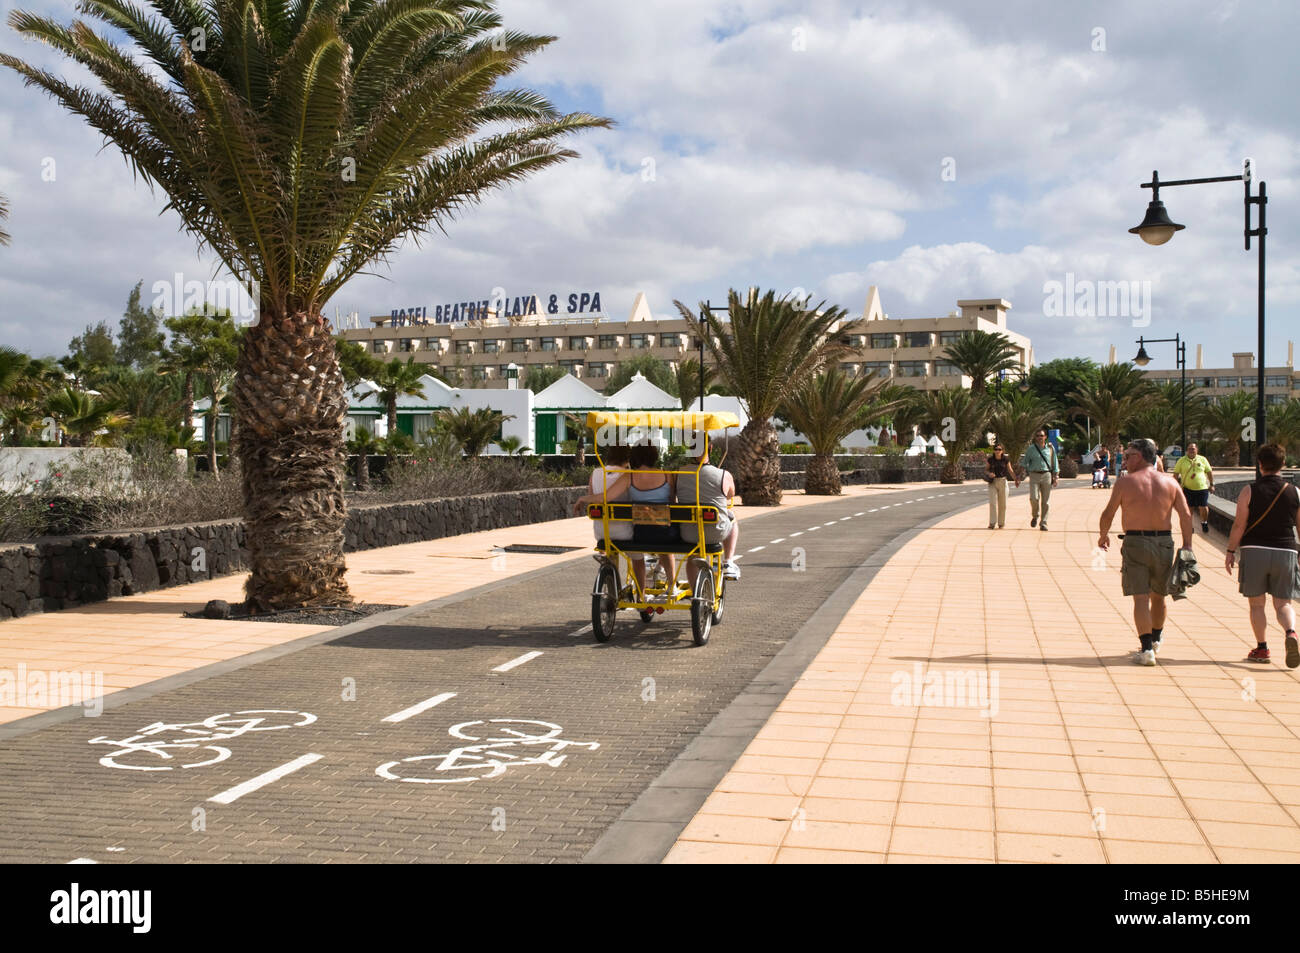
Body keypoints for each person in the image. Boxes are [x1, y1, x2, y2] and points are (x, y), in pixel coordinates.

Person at [1098, 438, 1195, 666]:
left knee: (1140, 597)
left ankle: (1146, 648)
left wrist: (1103, 535)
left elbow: (1108, 513)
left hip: (1135, 542)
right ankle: (1157, 639)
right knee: (1159, 596)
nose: (1125, 459)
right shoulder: (1170, 483)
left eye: (1129, 455)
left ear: (1140, 456)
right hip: (1163, 543)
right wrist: (1188, 544)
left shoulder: (1126, 483)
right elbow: (1186, 515)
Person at [1224, 443, 1299, 666]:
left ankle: (1262, 648)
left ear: (1260, 464)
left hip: (1254, 550)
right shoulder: (1294, 491)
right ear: (1283, 464)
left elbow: (1239, 525)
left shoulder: (1249, 490)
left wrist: (1230, 551)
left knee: (1257, 605)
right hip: (1285, 550)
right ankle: (1291, 633)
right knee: (1283, 603)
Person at [678, 434, 742, 581]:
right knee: (731, 516)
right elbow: (730, 494)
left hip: (688, 533)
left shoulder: (679, 473)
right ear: (710, 448)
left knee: (693, 556)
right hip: (715, 532)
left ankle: (696, 597)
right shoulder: (723, 475)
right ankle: (728, 561)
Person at [1020, 429, 1059, 530]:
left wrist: (1055, 477)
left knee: (1046, 502)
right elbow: (1024, 463)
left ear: (1045, 437)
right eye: (1037, 436)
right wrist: (1019, 475)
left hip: (1047, 475)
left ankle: (1043, 523)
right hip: (1034, 475)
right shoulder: (1031, 449)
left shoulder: (1050, 449)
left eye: (1041, 436)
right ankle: (1035, 516)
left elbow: (1055, 463)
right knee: (1034, 498)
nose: (1039, 437)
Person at [1173, 442, 1214, 534]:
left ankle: (1204, 522)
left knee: (1203, 507)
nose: (1191, 450)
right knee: (1189, 509)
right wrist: (1175, 488)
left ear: (1197, 450)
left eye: (1193, 449)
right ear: (1187, 450)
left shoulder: (1202, 459)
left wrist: (1211, 484)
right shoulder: (1181, 460)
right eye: (1189, 449)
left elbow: (1209, 472)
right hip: (1187, 489)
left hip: (1202, 488)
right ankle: (1189, 526)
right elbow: (1175, 474)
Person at [985, 444, 1019, 528]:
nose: (997, 451)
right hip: (993, 482)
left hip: (1003, 481)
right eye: (996, 449)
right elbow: (986, 470)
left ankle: (1001, 523)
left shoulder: (1005, 459)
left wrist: (1016, 479)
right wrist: (989, 474)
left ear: (1002, 451)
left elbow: (1010, 470)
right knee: (992, 502)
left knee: (1003, 504)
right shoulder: (990, 459)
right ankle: (992, 523)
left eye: (999, 449)